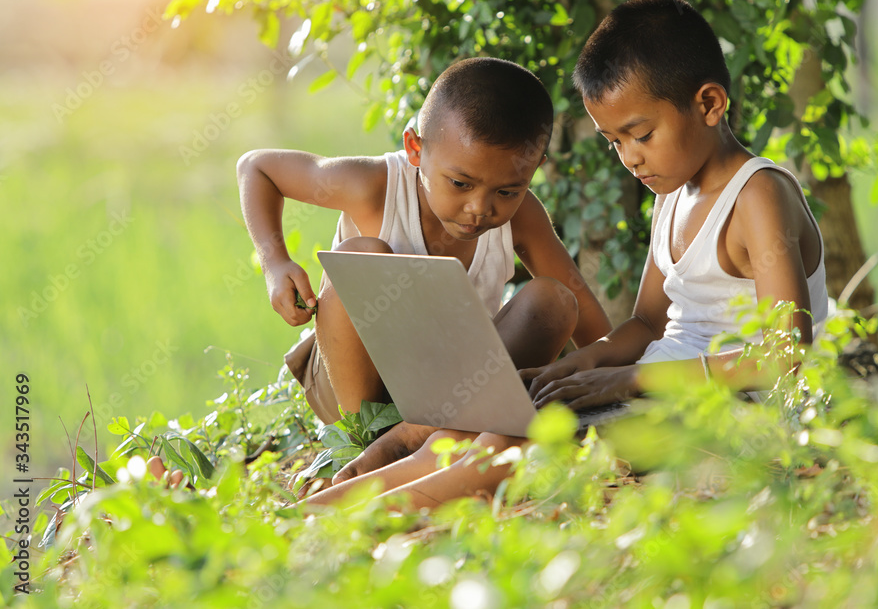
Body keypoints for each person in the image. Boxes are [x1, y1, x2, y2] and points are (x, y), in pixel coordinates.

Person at [235, 57, 613, 507]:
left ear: (534, 169)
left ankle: (423, 428)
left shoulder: (522, 217)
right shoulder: (374, 185)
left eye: (506, 191)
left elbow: (583, 311)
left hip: (453, 384)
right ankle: (370, 437)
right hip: (354, 384)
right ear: (416, 149)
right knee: (363, 256)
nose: (480, 208)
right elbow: (256, 167)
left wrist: (617, 369)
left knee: (554, 301)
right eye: (460, 183)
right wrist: (275, 262)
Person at [521, 0, 829, 409]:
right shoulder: (673, 190)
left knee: (551, 439)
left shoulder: (758, 195)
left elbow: (785, 355)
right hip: (665, 386)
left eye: (642, 135)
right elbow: (648, 323)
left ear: (709, 104)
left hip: (741, 405)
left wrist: (634, 378)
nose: (630, 158)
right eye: (614, 142)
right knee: (536, 414)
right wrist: (580, 363)